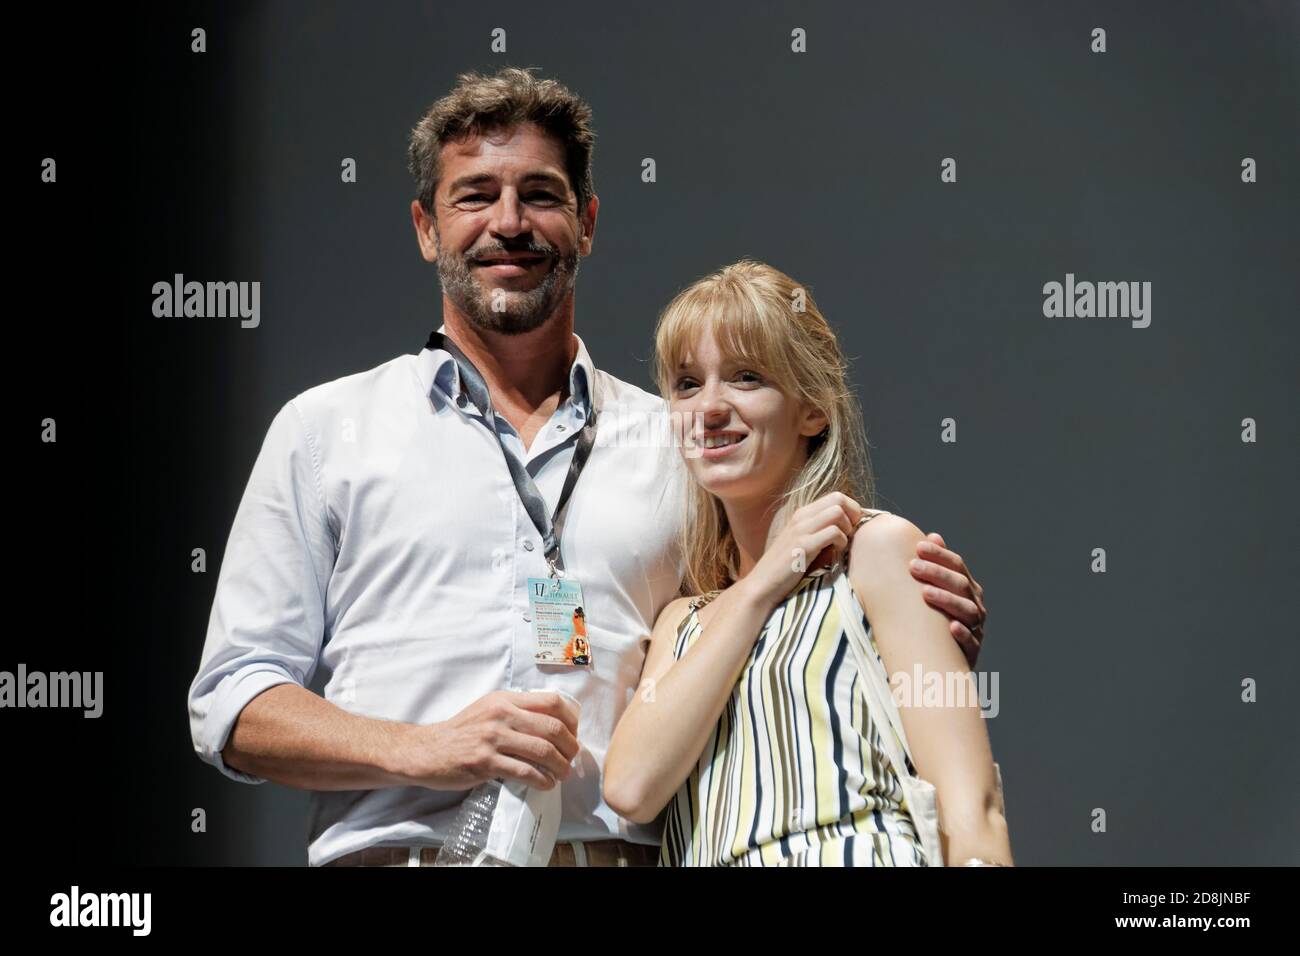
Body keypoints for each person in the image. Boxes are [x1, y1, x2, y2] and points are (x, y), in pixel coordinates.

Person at [186, 67, 989, 868]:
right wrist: (429, 748)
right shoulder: (328, 432)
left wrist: (894, 622)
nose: (508, 222)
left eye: (540, 194)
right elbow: (234, 706)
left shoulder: (677, 440)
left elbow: (756, 626)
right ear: (427, 228)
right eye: (473, 196)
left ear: (588, 222)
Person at [603, 260, 1012, 867]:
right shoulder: (681, 623)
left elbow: (971, 811)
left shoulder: (875, 554)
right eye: (688, 383)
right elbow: (631, 788)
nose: (710, 408)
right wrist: (768, 578)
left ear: (813, 409)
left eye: (745, 377)